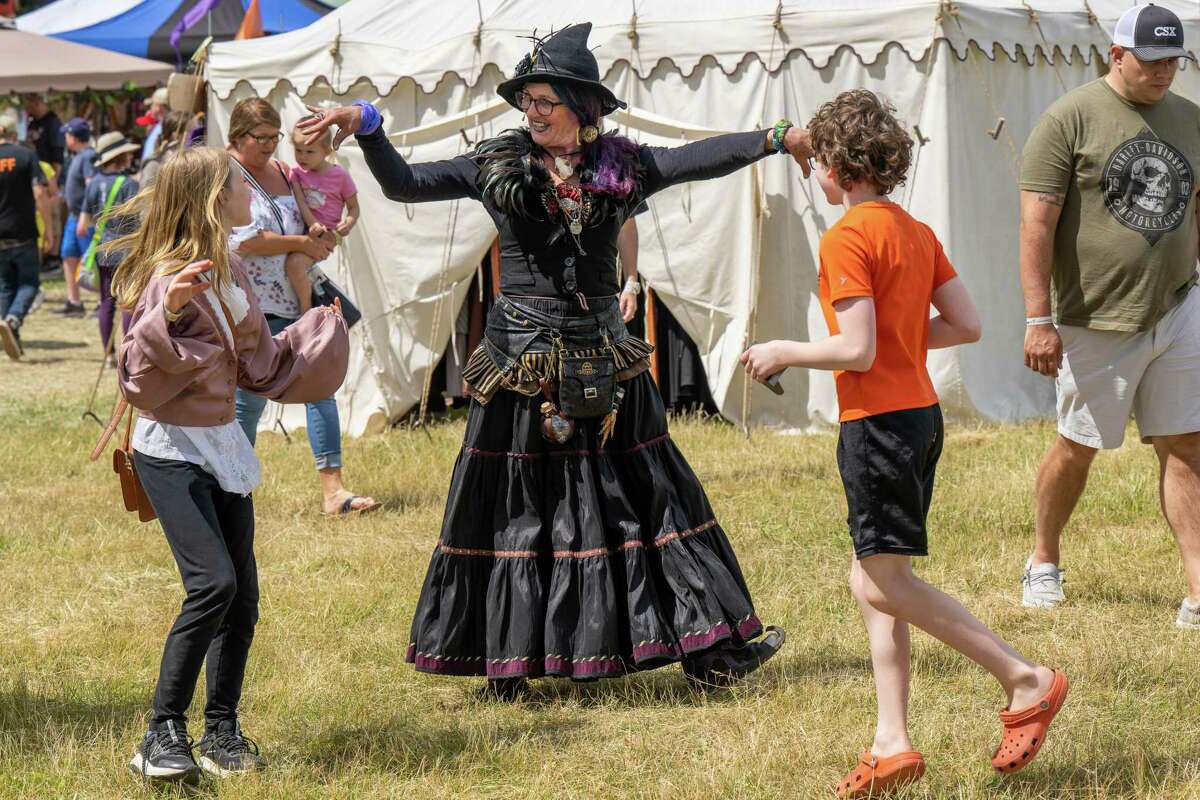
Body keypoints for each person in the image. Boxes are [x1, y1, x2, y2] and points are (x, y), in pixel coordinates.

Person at [300, 22, 809, 696]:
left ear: (583, 105)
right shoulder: (496, 166)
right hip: (521, 365)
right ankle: (507, 664)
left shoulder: (624, 169)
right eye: (526, 100)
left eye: (545, 100)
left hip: (607, 363)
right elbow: (403, 184)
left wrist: (775, 138)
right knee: (517, 512)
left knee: (653, 499)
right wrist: (365, 122)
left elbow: (700, 158)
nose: (531, 111)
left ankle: (710, 647)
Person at [743, 90, 1070, 796]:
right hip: (919, 420)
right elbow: (966, 324)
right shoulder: (915, 232)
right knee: (873, 580)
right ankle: (891, 740)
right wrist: (894, 337)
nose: (816, 176)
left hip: (879, 426)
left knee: (882, 580)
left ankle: (1026, 678)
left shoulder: (846, 238)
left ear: (835, 165)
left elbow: (855, 350)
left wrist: (783, 351)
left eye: (816, 162)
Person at [110, 146, 349, 784]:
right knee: (212, 584)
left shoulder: (234, 269)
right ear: (218, 198)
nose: (253, 193)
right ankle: (160, 733)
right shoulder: (171, 273)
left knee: (241, 599)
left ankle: (221, 731)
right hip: (170, 451)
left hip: (221, 448)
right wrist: (167, 313)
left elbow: (261, 365)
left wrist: (315, 332)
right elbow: (136, 372)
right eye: (241, 185)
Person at [1018, 4, 1200, 626]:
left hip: (1178, 305)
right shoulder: (1068, 118)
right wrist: (1036, 320)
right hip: (1094, 317)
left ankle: (1198, 592)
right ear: (1116, 55)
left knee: (1186, 445)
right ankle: (1044, 560)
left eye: (1173, 59)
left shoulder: (1191, 119)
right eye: (1151, 60)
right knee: (1078, 446)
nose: (1163, 71)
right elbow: (1036, 222)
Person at [226, 97, 379, 516]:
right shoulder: (225, 171)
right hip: (253, 304)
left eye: (276, 137)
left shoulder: (282, 170)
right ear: (238, 136)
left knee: (320, 389)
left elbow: (309, 216)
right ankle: (233, 490)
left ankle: (334, 491)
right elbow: (241, 239)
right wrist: (300, 243)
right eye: (263, 138)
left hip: (299, 298)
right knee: (250, 399)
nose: (272, 146)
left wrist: (322, 239)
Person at [285, 117, 360, 313]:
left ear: (327, 151)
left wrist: (348, 223)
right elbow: (300, 201)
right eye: (298, 151)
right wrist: (311, 223)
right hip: (305, 229)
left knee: (295, 264)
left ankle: (306, 309)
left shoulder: (340, 176)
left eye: (310, 151)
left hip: (325, 234)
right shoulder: (296, 173)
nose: (303, 157)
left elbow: (354, 208)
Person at [79, 132, 141, 366]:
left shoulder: (93, 183)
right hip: (126, 250)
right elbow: (137, 220)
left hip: (102, 249)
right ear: (122, 156)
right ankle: (129, 354)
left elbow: (84, 224)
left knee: (106, 302)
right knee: (127, 302)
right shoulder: (129, 184)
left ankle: (108, 355)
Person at [0, 111, 54, 360]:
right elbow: (40, 194)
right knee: (30, 284)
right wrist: (49, 230)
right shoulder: (26, 156)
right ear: (15, 133)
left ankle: (9, 332)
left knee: (5, 287)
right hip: (23, 234)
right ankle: (12, 318)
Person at [56, 117, 96, 317]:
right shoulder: (77, 156)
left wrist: (85, 215)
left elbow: (91, 186)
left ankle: (101, 301)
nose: (65, 137)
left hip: (84, 217)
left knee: (92, 260)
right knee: (69, 257)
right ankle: (74, 301)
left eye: (67, 134)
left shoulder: (89, 156)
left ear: (74, 137)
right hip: (73, 217)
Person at [138, 110, 191, 187]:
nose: (198, 134)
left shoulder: (188, 160)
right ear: (176, 135)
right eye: (192, 130)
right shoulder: (155, 165)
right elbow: (144, 197)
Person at [22, 94, 63, 179]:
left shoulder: (53, 123)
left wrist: (54, 180)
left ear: (37, 104)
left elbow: (58, 154)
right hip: (33, 171)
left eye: (29, 107)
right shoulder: (33, 123)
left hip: (47, 172)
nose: (27, 110)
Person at [139, 87, 170, 163]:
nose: (150, 109)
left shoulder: (166, 127)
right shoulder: (159, 125)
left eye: (152, 105)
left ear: (159, 107)